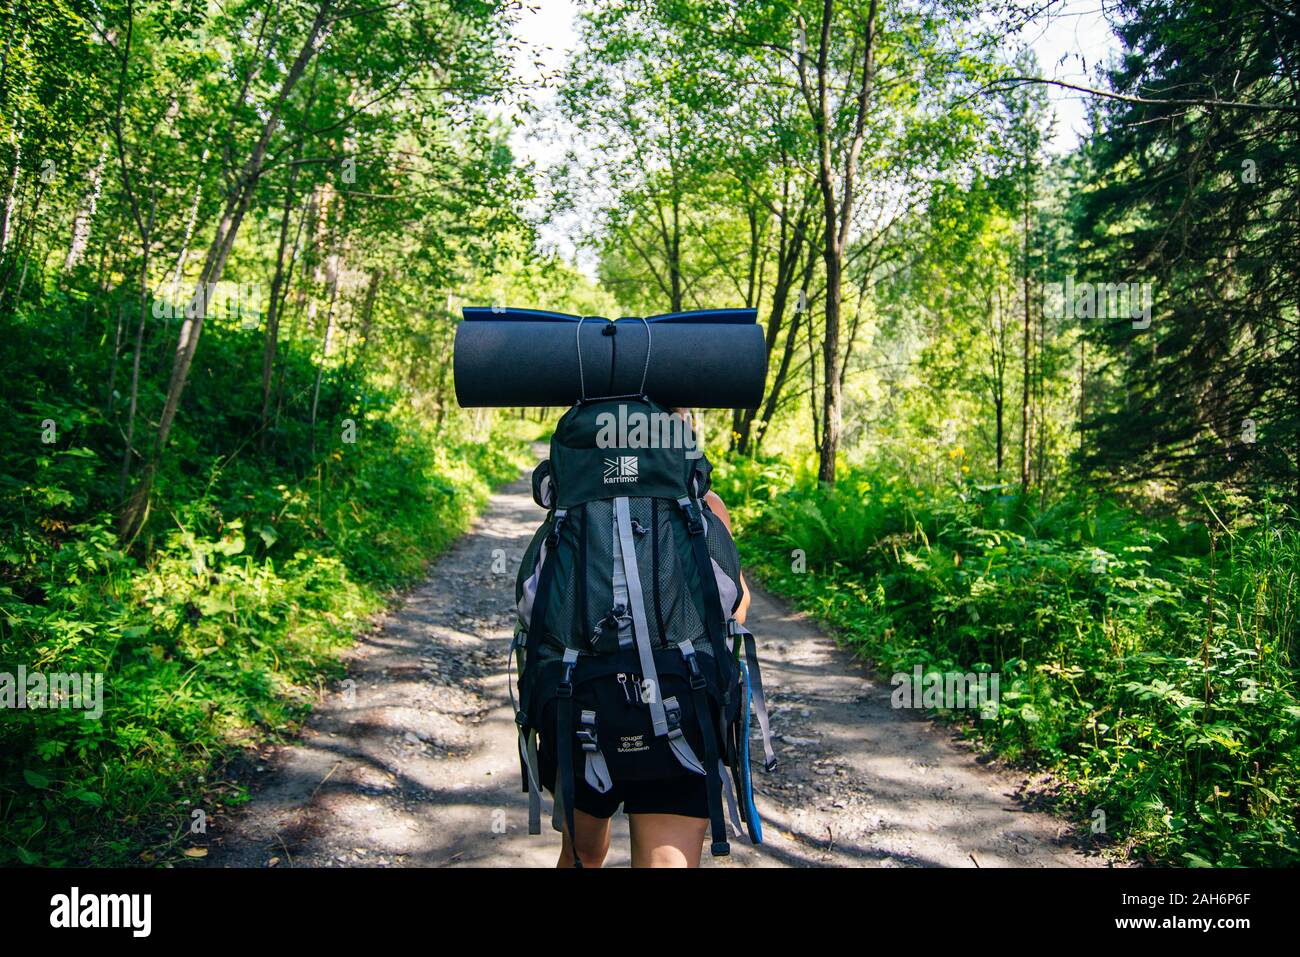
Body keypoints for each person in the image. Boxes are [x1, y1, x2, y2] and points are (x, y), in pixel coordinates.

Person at [538, 406, 752, 868]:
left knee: (582, 855)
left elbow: (539, 604)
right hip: (681, 702)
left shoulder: (573, 497)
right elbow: (732, 606)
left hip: (579, 703)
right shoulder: (704, 506)